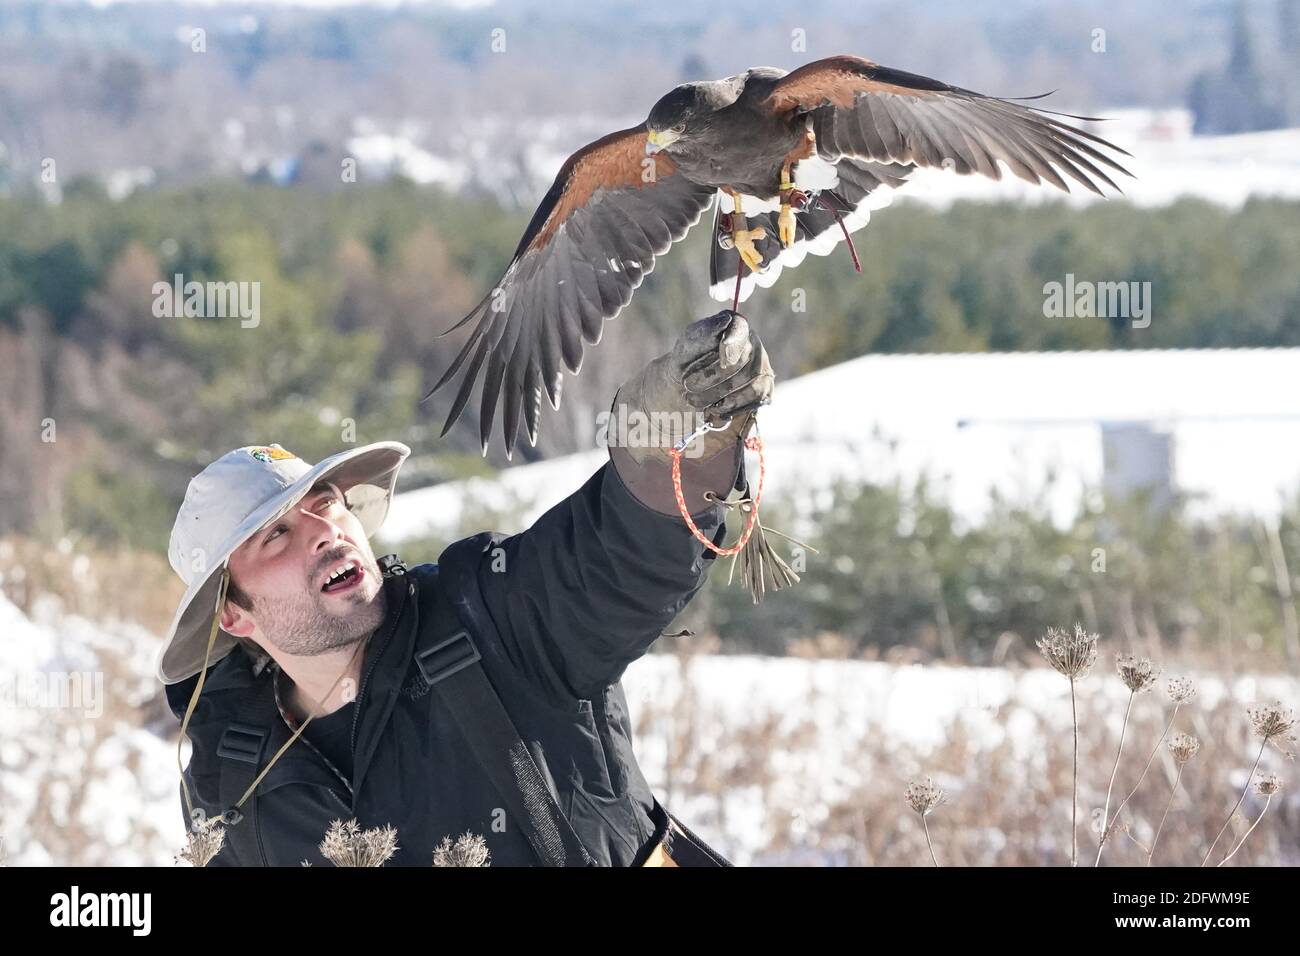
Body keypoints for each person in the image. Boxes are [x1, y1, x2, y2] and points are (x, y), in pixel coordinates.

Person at [159, 310, 774, 866]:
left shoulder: (487, 617)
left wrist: (666, 442)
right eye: (276, 537)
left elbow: (614, 562)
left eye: (328, 504)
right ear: (235, 616)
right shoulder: (229, 782)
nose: (325, 532)